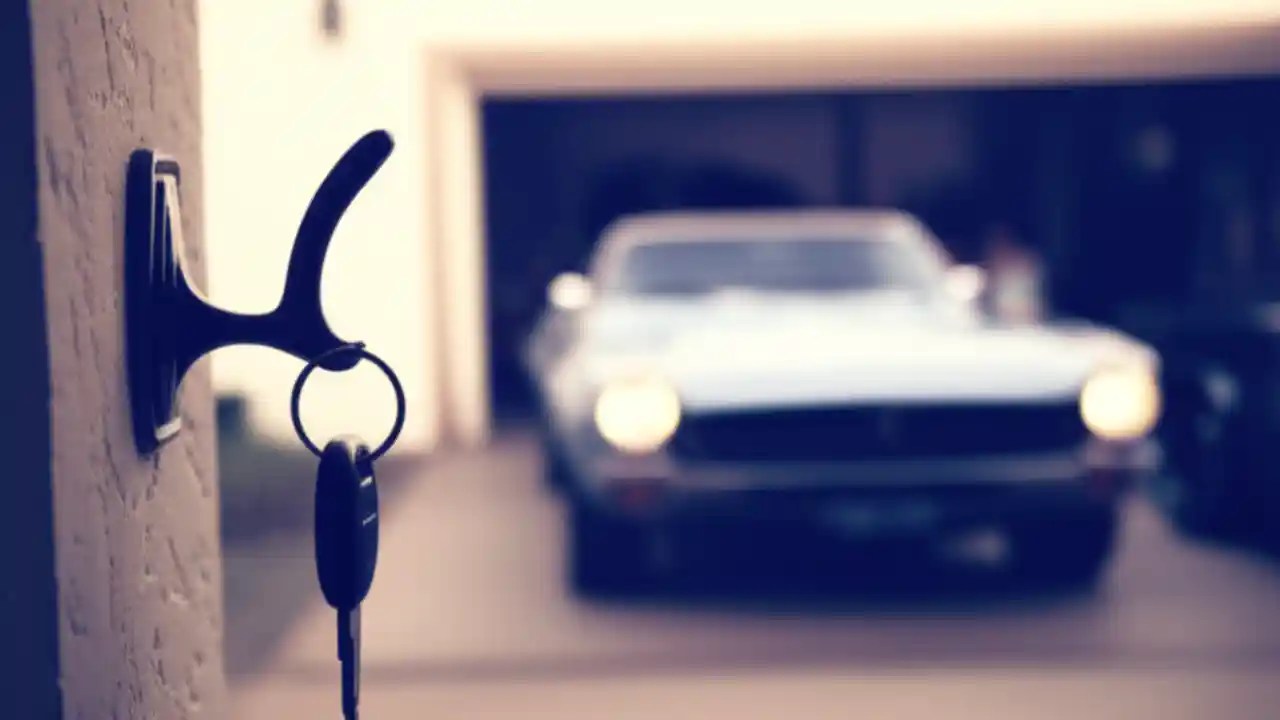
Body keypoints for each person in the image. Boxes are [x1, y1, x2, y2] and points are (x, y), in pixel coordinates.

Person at [981, 222, 1044, 323]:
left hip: (1027, 320)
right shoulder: (990, 269)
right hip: (998, 321)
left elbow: (1029, 304)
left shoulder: (1028, 262)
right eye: (994, 242)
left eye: (1003, 239)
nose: (998, 245)